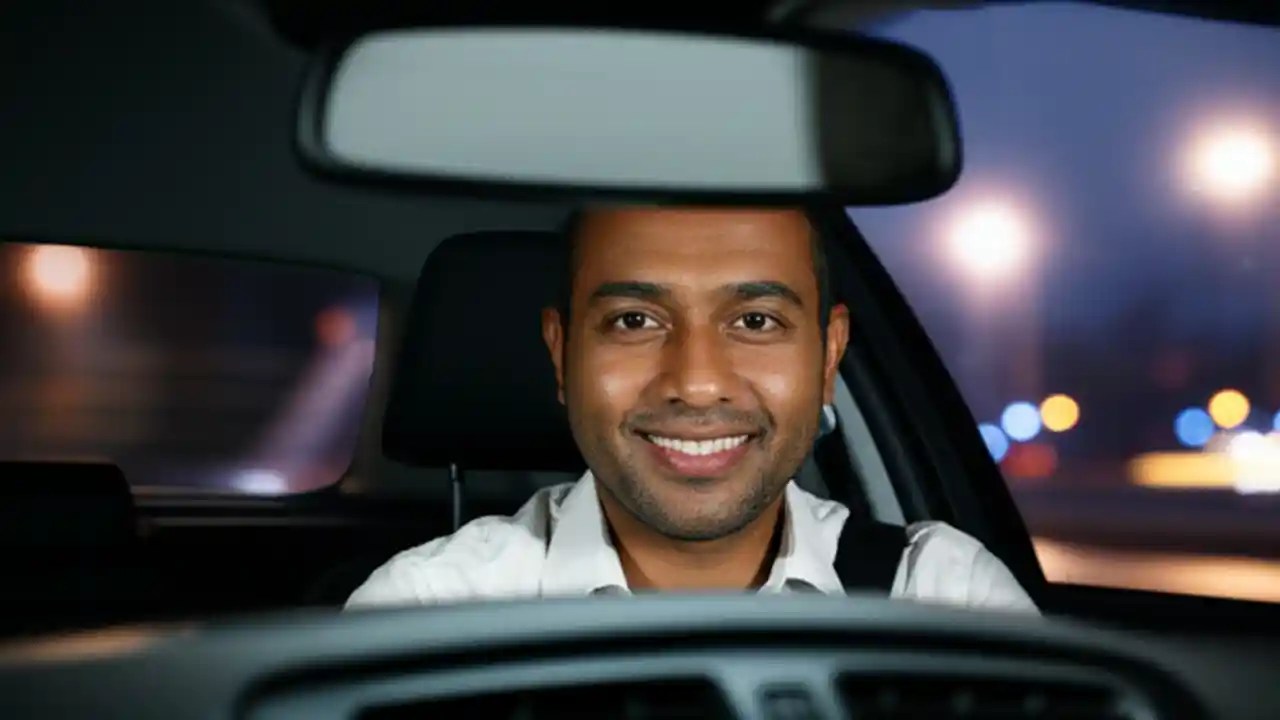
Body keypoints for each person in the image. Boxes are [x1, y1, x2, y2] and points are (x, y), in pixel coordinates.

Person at [346, 206, 1036, 611]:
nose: (699, 383)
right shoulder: (429, 609)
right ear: (561, 356)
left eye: (757, 321)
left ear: (829, 358)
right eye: (635, 321)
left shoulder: (941, 597)